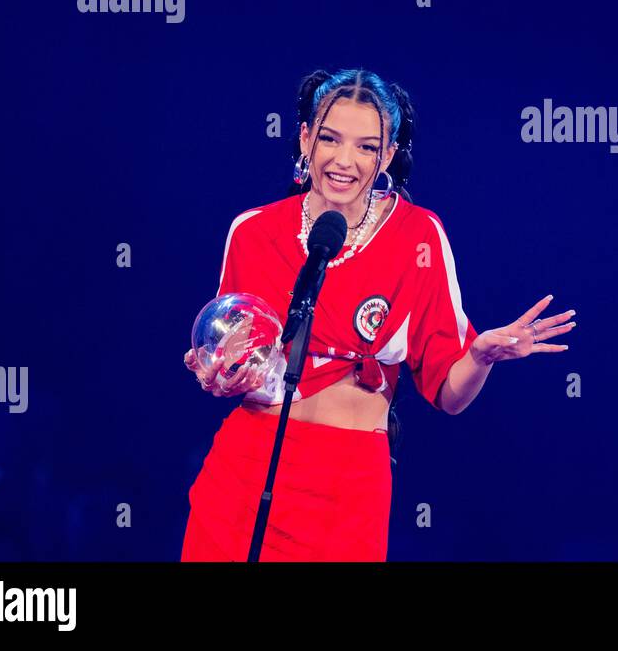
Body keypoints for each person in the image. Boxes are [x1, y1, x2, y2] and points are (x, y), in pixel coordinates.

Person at [179, 68, 575, 561]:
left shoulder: (418, 236)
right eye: (329, 138)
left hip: (347, 490)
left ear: (388, 154)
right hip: (245, 472)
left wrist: (479, 356)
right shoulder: (253, 231)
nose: (345, 161)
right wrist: (216, 370)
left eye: (367, 147)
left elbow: (449, 396)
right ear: (305, 138)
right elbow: (236, 359)